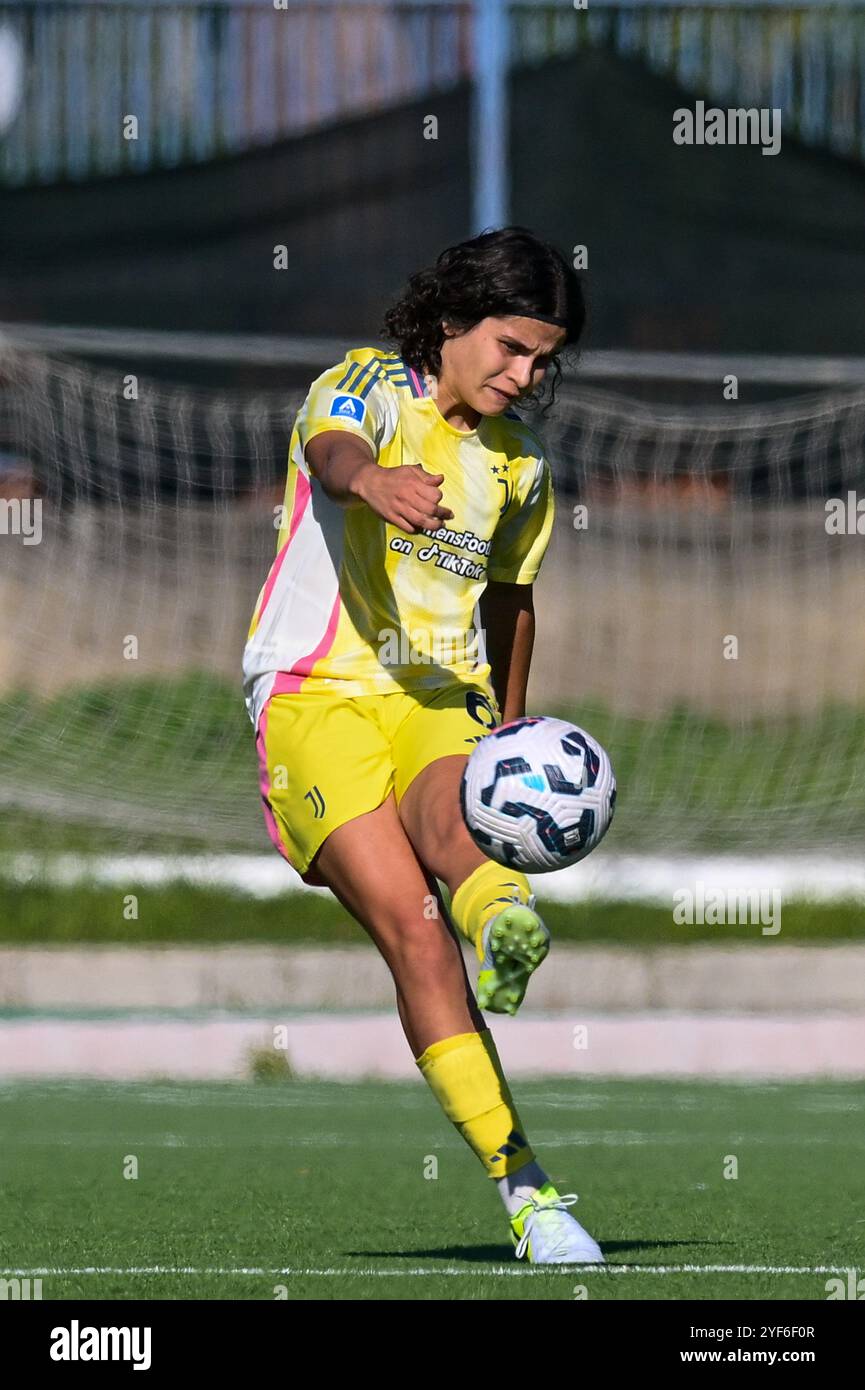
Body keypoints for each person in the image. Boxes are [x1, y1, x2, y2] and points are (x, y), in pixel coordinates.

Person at [242, 225, 604, 1264]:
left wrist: (514, 726)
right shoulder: (364, 387)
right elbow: (330, 449)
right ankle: (522, 1183)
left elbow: (510, 601)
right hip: (314, 691)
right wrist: (373, 486)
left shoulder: (518, 466)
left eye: (542, 357)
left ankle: (504, 918)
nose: (524, 373)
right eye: (508, 345)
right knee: (410, 924)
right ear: (451, 322)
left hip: (438, 691)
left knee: (462, 828)